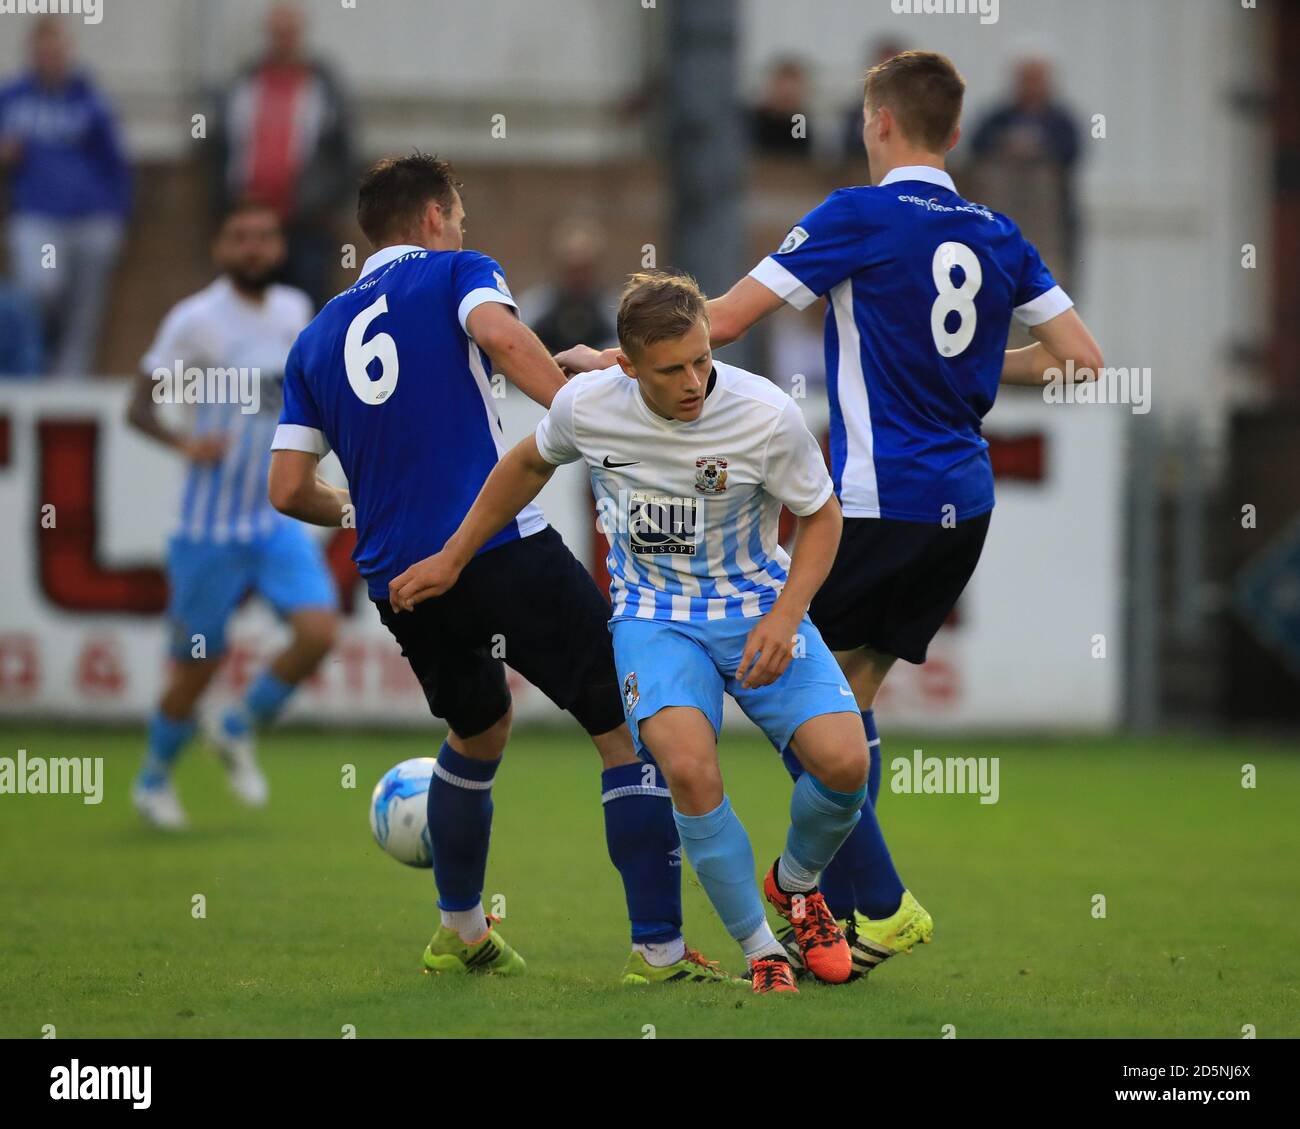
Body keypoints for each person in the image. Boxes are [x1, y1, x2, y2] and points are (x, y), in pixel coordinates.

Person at [561, 51, 1103, 979]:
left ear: (878, 124)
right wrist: (974, 372)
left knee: (802, 705)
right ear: (956, 132)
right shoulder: (998, 231)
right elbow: (1084, 359)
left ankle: (859, 903)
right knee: (850, 701)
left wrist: (618, 365)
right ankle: (857, 907)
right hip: (961, 506)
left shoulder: (858, 214)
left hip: (871, 499)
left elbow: (718, 322)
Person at [267, 155, 727, 986]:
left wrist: (362, 511)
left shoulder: (316, 337)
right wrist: (585, 419)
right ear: (438, 215)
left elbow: (288, 487)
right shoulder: (458, 274)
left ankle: (461, 931)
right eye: (462, 213)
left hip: (402, 576)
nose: (466, 226)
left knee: (477, 731)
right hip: (497, 548)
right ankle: (658, 951)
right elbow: (503, 336)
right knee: (628, 732)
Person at [391, 272, 872, 994]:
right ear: (629, 365)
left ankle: (797, 886)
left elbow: (823, 517)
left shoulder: (765, 414)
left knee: (844, 766)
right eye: (672, 368)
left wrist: (783, 613)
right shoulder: (591, 406)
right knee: (688, 768)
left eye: (703, 359)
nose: (694, 380)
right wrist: (454, 557)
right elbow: (523, 463)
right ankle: (760, 948)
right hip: (655, 619)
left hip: (758, 605)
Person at [127, 201, 340, 830]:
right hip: (207, 527)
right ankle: (152, 781)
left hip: (274, 514)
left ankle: (236, 724)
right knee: (198, 663)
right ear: (221, 249)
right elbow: (138, 406)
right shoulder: (194, 321)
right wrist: (185, 443)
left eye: (264, 237)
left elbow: (303, 404)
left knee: (319, 630)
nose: (253, 248)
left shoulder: (295, 312)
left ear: (278, 248)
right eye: (240, 238)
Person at [0, 15, 130, 374]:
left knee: (85, 310)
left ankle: (69, 383)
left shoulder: (91, 98)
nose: (50, 60)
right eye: (42, 53)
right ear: (31, 54)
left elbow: (115, 159)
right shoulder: (10, 98)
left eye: (56, 52)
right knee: (41, 289)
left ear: (67, 53)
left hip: (93, 219)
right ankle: (35, 364)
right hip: (38, 217)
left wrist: (118, 213)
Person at [212, 3, 354, 310]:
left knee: (307, 311)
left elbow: (344, 151)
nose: (283, 40)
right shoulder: (245, 84)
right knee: (246, 308)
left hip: (307, 224)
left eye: (289, 33)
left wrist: (327, 205)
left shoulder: (322, 86)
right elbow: (221, 146)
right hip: (248, 218)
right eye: (277, 33)